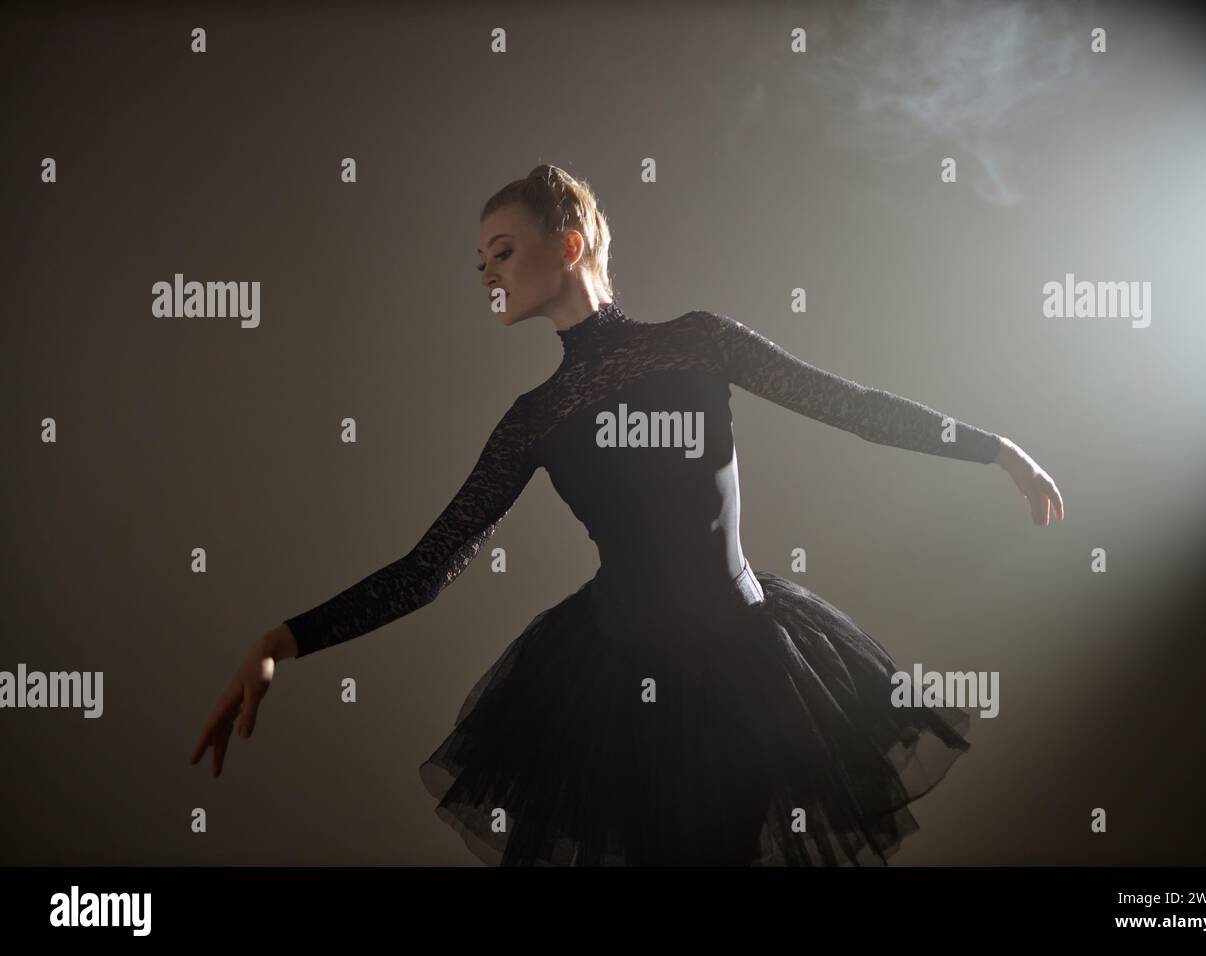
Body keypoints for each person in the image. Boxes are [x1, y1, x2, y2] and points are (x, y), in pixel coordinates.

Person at [191, 164, 1064, 866]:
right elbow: (430, 568)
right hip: (617, 687)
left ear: (568, 244)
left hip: (749, 668)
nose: (485, 273)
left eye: (501, 251)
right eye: (480, 261)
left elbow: (848, 404)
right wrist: (284, 640)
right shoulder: (532, 419)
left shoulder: (697, 339)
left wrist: (993, 447)